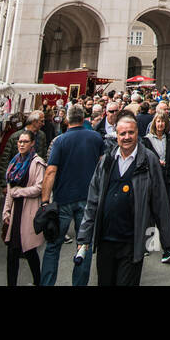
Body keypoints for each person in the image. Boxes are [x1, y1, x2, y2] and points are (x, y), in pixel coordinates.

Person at [76, 112, 170, 286]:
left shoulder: (149, 160)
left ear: (137, 133)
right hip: (106, 239)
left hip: (132, 240)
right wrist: (84, 236)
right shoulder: (107, 159)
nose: (127, 137)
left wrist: (168, 243)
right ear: (116, 135)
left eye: (131, 132)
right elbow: (93, 200)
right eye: (122, 133)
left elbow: (160, 203)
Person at [40, 104, 103, 286]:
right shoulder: (95, 137)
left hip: (63, 198)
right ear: (83, 118)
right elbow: (102, 167)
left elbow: (51, 171)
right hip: (88, 198)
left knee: (53, 246)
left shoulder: (60, 141)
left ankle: (47, 283)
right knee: (83, 245)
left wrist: (45, 201)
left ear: (67, 120)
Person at [1, 130, 46, 286]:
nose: (21, 144)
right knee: (12, 251)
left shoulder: (37, 162)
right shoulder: (14, 162)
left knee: (29, 250)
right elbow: (10, 189)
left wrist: (19, 192)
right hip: (15, 211)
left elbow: (39, 188)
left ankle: (37, 281)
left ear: (32, 143)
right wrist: (6, 211)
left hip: (28, 211)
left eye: (25, 141)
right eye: (20, 141)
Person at [144, 114, 170, 263]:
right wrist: (156, 162)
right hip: (152, 180)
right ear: (154, 123)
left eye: (163, 122)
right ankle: (149, 243)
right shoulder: (146, 140)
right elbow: (144, 160)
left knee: (164, 212)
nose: (160, 124)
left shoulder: (169, 138)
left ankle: (167, 249)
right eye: (158, 121)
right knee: (149, 213)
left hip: (166, 178)